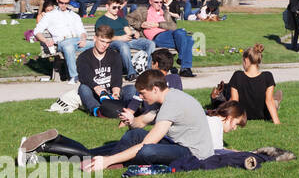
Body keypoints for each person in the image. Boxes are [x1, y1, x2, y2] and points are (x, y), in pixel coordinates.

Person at [34, 69, 216, 171]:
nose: (142, 98)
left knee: (147, 152)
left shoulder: (172, 104)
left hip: (193, 153)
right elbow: (141, 124)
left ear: (154, 89)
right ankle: (54, 144)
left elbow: (147, 144)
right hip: (177, 144)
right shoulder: (167, 98)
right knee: (133, 135)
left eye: (143, 94)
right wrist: (131, 119)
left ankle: (52, 146)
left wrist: (108, 160)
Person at [128, 0, 198, 76]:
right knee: (187, 38)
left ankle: (183, 64)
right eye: (156, 2)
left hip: (169, 34)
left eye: (161, 2)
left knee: (186, 36)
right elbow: (128, 19)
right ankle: (185, 67)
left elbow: (173, 26)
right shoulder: (143, 11)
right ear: (150, 2)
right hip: (157, 37)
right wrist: (140, 25)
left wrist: (158, 24)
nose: (159, 4)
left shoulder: (165, 12)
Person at [34, 0, 91, 81]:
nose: (63, 5)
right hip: (63, 42)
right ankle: (74, 76)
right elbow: (37, 31)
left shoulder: (74, 16)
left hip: (78, 41)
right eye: (61, 2)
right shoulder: (50, 16)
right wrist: (46, 40)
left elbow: (82, 31)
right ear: (57, 0)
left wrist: (83, 39)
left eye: (66, 3)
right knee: (69, 47)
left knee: (100, 44)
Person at [95, 0, 154, 80]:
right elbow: (101, 37)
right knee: (123, 46)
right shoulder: (102, 20)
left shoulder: (121, 19)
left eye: (118, 8)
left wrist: (134, 33)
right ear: (107, 7)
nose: (116, 10)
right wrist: (120, 38)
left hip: (127, 40)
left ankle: (146, 70)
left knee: (150, 43)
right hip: (113, 42)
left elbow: (128, 32)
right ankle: (131, 73)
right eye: (114, 7)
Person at [75, 25, 126, 118]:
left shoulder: (115, 56)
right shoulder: (84, 57)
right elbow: (85, 78)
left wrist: (116, 94)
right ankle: (98, 111)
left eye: (108, 42)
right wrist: (98, 89)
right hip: (95, 93)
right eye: (102, 41)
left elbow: (117, 78)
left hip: (111, 91)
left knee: (131, 89)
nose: (104, 45)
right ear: (95, 38)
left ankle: (129, 110)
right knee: (83, 88)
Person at [226, 43, 282, 124]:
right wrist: (277, 122)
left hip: (244, 115)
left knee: (226, 94)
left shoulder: (237, 75)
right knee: (272, 101)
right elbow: (268, 101)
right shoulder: (268, 76)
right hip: (264, 115)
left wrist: (232, 120)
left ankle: (276, 100)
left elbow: (235, 102)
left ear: (246, 60)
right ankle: (276, 101)